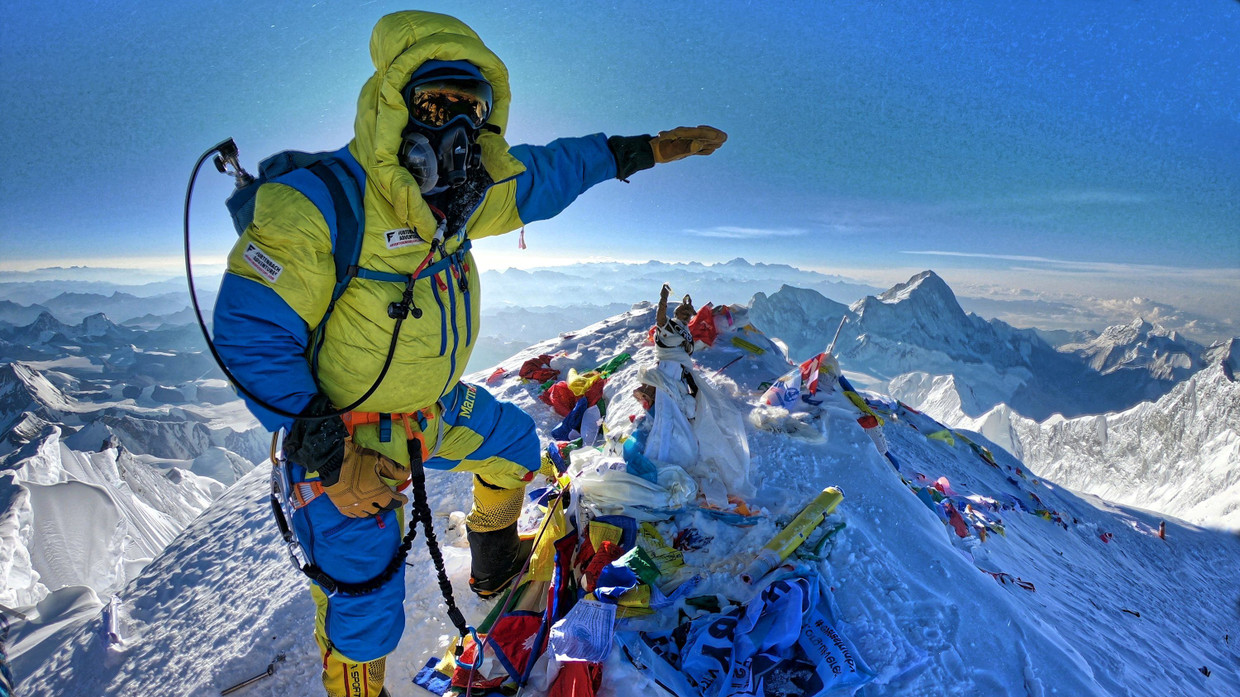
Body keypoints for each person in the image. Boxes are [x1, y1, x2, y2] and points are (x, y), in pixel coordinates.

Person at [211, 10, 725, 697]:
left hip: (431, 410)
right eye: (435, 104)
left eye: (471, 110)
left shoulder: (466, 200)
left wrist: (644, 150)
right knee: (364, 591)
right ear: (396, 109)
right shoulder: (322, 204)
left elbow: (550, 172)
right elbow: (250, 329)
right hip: (343, 438)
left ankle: (491, 566)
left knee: (513, 445)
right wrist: (327, 461)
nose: (454, 129)